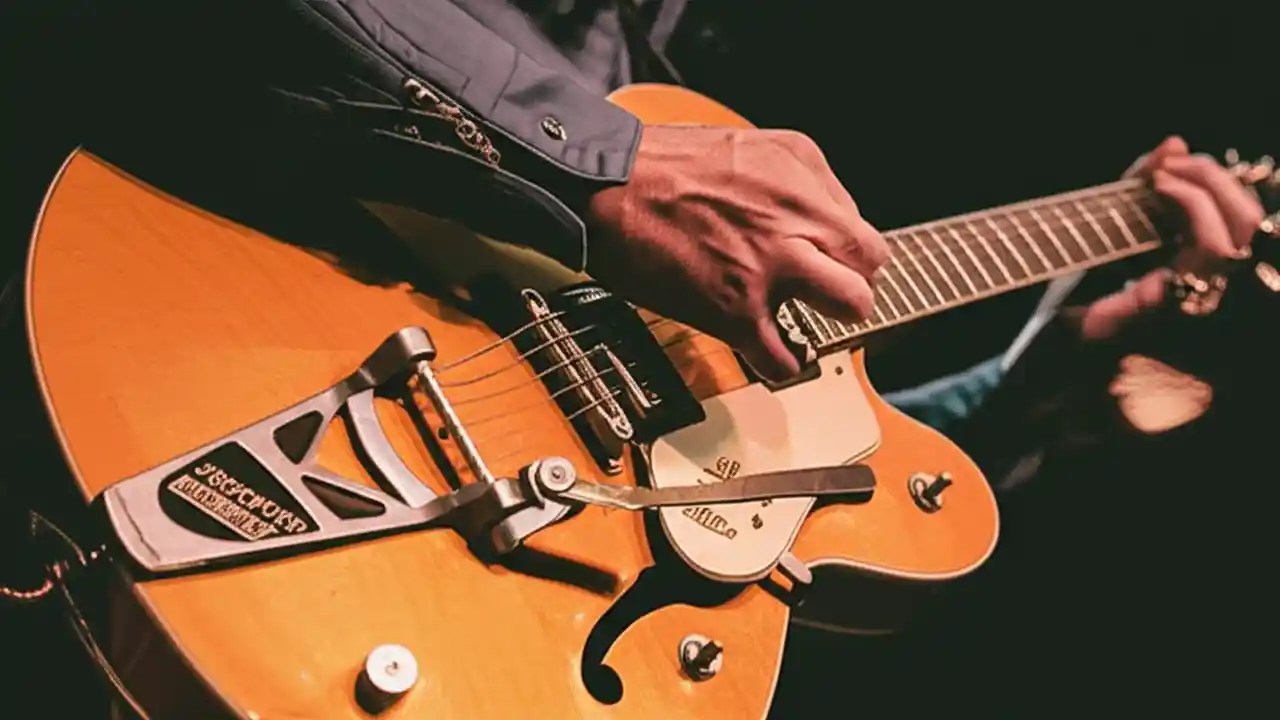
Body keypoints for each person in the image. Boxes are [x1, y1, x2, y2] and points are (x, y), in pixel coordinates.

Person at [0, 1, 1269, 716]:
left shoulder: (663, 54)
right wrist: (611, 163)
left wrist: (1024, 385)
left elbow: (740, 456)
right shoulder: (632, 111)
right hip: (184, 325)